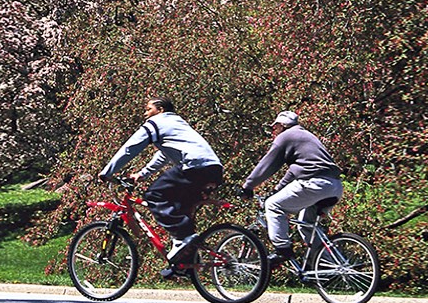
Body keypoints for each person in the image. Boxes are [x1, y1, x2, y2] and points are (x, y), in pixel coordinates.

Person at [99, 97, 225, 270]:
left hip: (194, 167)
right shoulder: (178, 124)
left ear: (160, 109)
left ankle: (182, 239)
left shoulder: (156, 122)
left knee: (154, 195)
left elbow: (131, 147)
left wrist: (108, 171)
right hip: (214, 170)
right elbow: (163, 156)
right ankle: (185, 263)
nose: (145, 114)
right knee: (180, 207)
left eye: (148, 109)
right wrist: (142, 174)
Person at [238, 110, 343, 267]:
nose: (273, 132)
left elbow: (267, 164)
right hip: (334, 186)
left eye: (274, 128)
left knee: (273, 205)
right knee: (306, 224)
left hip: (313, 183)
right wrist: (276, 190)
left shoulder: (286, 136)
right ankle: (332, 266)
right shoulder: (306, 136)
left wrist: (248, 186)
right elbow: (294, 171)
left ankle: (282, 250)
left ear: (281, 126)